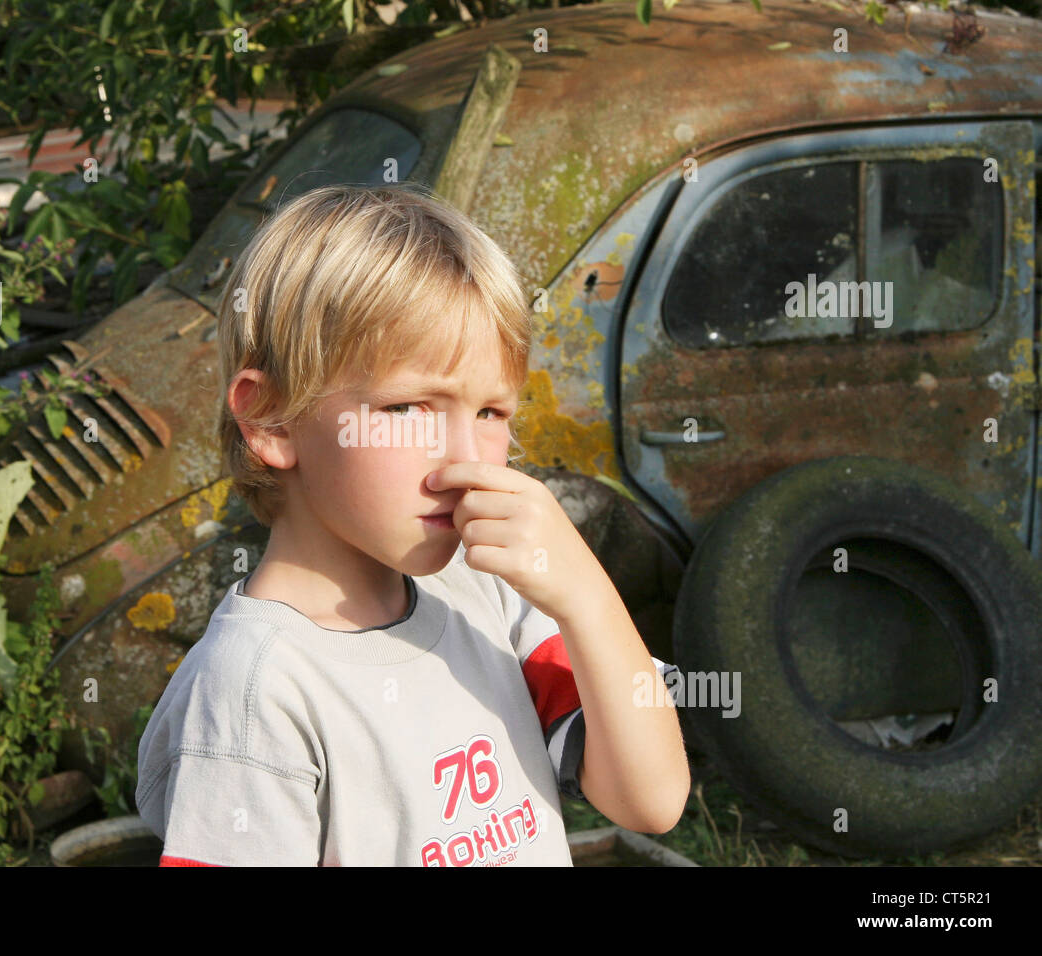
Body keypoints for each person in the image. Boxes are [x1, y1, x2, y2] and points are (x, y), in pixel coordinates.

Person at [135, 183, 690, 866]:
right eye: (408, 409)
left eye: (491, 413)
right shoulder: (255, 692)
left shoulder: (491, 594)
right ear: (273, 420)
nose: (464, 457)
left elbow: (651, 801)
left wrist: (586, 596)